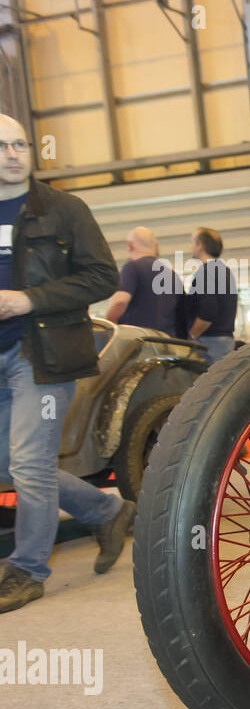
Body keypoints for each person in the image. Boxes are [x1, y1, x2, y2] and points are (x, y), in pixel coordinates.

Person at [0, 114, 136, 613]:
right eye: (2, 146)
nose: (13, 153)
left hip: (43, 358)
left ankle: (26, 569)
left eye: (20, 144)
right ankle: (107, 509)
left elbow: (102, 276)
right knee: (8, 464)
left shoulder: (63, 210)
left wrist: (29, 300)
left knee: (30, 464)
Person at [104, 226, 181, 331]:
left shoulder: (132, 267)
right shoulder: (172, 274)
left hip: (139, 340)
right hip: (167, 340)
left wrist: (108, 325)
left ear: (130, 245)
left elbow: (119, 301)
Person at [182, 227, 238, 363]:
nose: (191, 247)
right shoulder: (225, 271)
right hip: (225, 340)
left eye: (192, 242)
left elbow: (208, 311)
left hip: (210, 344)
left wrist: (191, 335)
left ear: (200, 245)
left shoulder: (206, 272)